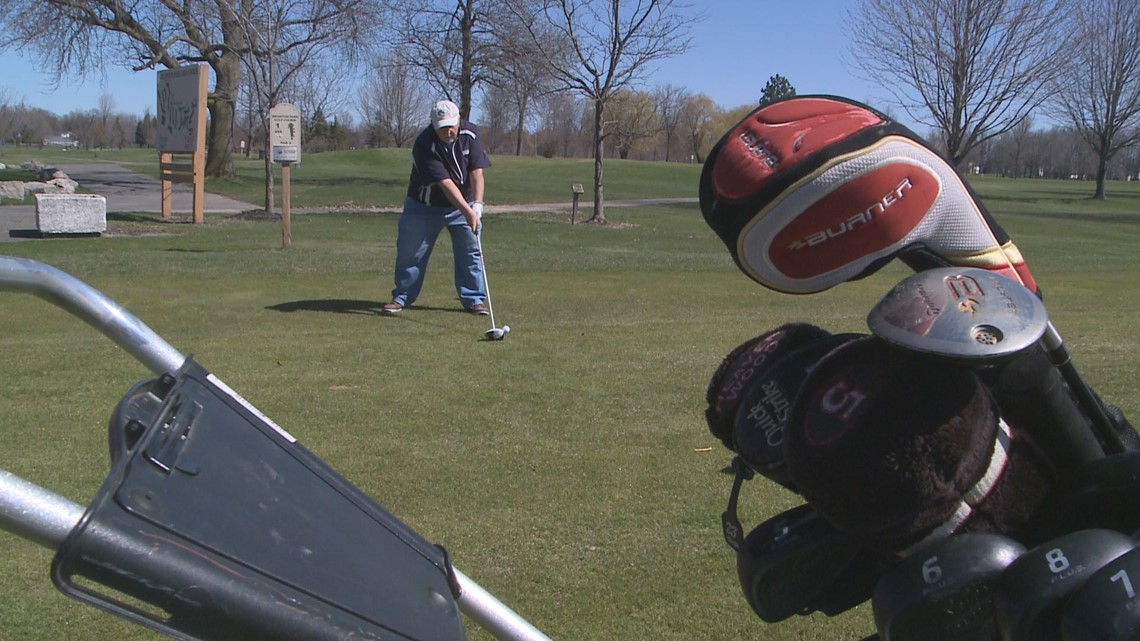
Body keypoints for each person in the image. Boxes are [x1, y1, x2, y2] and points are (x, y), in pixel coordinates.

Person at [383, 99, 492, 315]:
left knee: (470, 252)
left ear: (458, 121)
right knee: (411, 252)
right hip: (423, 207)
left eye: (451, 125)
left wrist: (478, 204)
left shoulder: (470, 135)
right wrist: (468, 211)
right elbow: (446, 184)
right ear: (433, 125)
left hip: (464, 204)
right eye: (442, 127)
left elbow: (477, 172)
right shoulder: (424, 144)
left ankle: (473, 300)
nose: (448, 131)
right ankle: (402, 297)